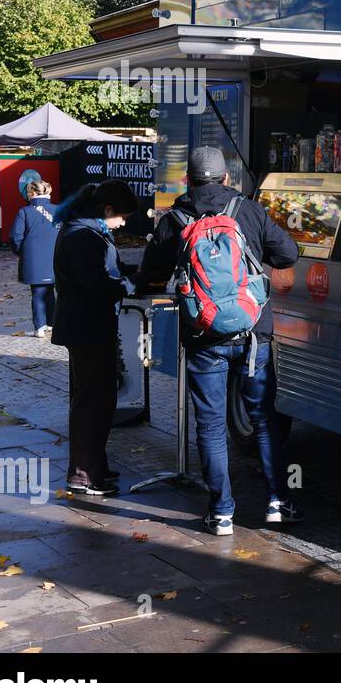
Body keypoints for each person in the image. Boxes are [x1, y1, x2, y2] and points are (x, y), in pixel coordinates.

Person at [137, 146, 300, 535]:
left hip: (202, 335)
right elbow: (289, 254)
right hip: (253, 335)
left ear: (188, 181)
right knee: (263, 419)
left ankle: (221, 512)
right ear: (227, 178)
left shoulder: (173, 218)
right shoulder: (250, 210)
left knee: (210, 425)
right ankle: (279, 501)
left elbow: (149, 274)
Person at [51, 180, 139, 496]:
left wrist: (132, 273)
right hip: (87, 327)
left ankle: (94, 467)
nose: (124, 223)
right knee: (93, 401)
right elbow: (98, 282)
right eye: (123, 217)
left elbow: (109, 270)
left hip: (88, 325)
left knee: (98, 398)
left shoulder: (86, 231)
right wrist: (131, 286)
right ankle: (83, 473)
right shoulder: (83, 235)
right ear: (107, 209)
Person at [10, 179, 59, 336]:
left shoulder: (24, 212)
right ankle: (52, 323)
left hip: (33, 260)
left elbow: (15, 236)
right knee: (50, 292)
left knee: (37, 293)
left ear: (32, 193)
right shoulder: (58, 211)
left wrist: (22, 252)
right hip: (55, 258)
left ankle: (40, 327)